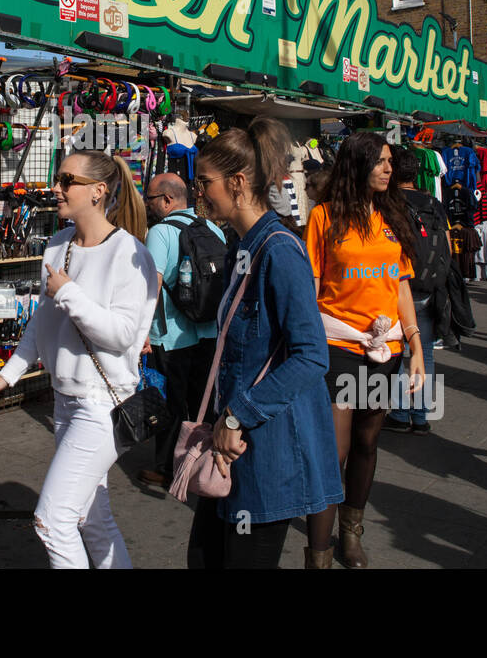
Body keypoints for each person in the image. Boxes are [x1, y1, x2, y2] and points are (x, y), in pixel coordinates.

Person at [0, 152, 157, 568]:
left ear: (98, 192)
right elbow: (43, 322)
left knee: (52, 520)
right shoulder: (58, 244)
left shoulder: (130, 254)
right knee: (91, 518)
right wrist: (8, 375)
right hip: (65, 399)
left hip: (102, 404)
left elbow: (122, 336)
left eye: (65, 180)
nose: (55, 188)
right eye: (58, 179)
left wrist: (69, 293)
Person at [176, 118, 341, 568]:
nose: (199, 192)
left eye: (205, 182)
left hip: (267, 450)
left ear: (238, 181)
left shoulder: (279, 249)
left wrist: (237, 415)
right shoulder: (241, 246)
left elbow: (311, 355)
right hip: (231, 445)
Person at [305, 130, 424, 567]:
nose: (389, 168)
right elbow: (312, 286)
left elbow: (402, 287)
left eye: (391, 161)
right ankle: (317, 553)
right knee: (332, 450)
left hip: (384, 348)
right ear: (357, 165)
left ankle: (350, 533)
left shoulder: (392, 216)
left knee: (367, 443)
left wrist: (415, 347)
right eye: (380, 161)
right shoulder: (323, 217)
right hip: (336, 343)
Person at [137, 172, 225, 488]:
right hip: (209, 331)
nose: (148, 204)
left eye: (150, 199)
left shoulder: (160, 233)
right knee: (203, 400)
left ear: (168, 199)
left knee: (171, 405)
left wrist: (141, 329)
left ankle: (166, 468)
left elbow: (153, 283)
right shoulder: (213, 228)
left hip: (171, 335)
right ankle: (204, 462)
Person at [385, 149, 450, 432]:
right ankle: (421, 416)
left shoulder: (388, 204)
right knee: (424, 352)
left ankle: (400, 414)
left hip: (400, 286)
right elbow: (446, 243)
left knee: (400, 351)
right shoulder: (433, 203)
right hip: (430, 286)